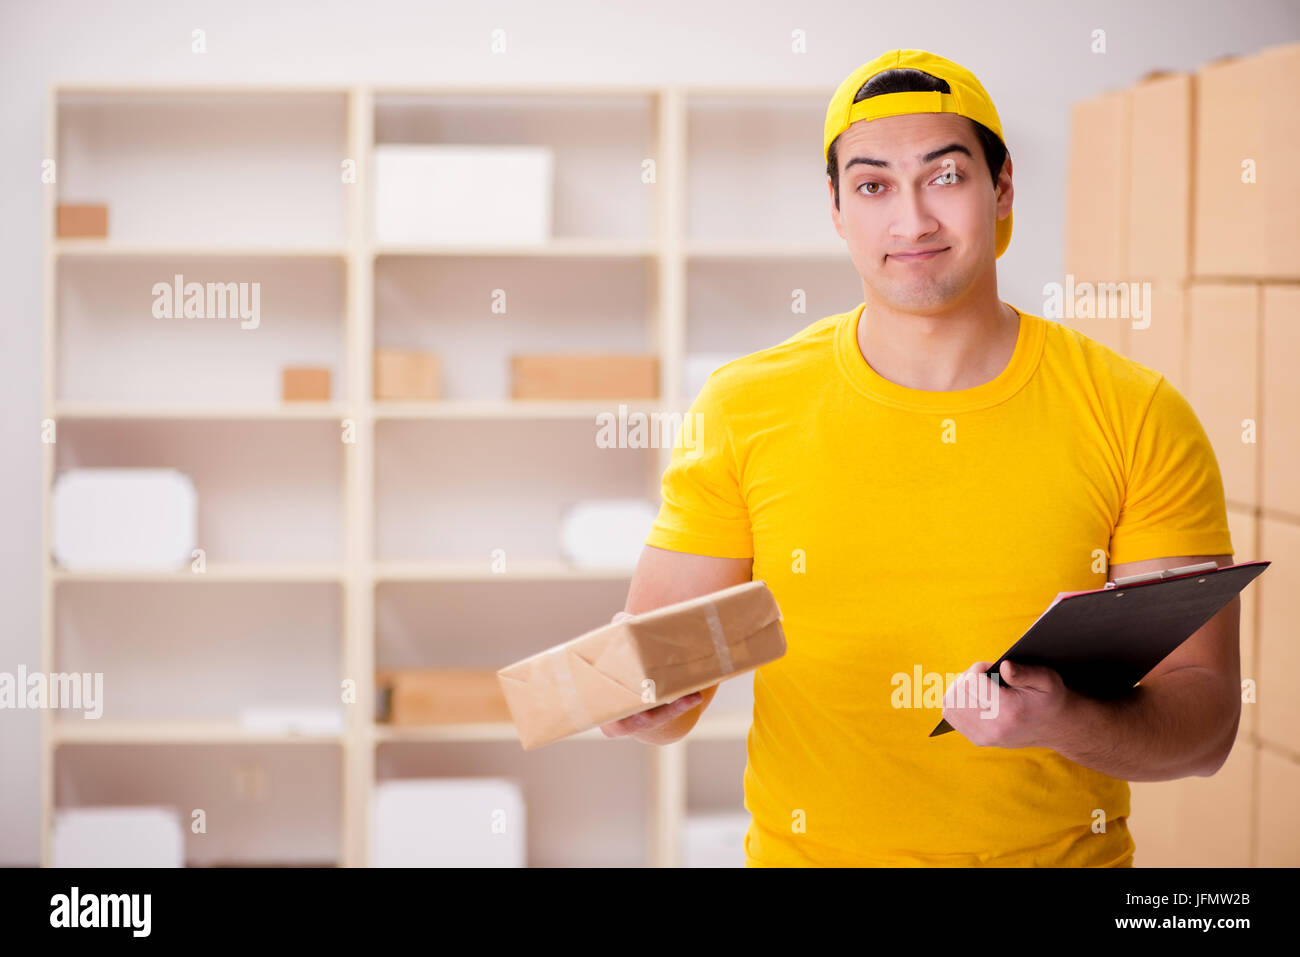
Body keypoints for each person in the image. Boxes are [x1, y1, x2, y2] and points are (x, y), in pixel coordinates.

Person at [602, 49, 1240, 868]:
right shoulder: (742, 406)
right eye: (872, 186)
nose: (912, 222)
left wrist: (1062, 720)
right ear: (836, 208)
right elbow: (664, 683)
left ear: (1002, 187)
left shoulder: (1136, 413)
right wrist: (641, 697)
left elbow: (1207, 727)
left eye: (944, 177)